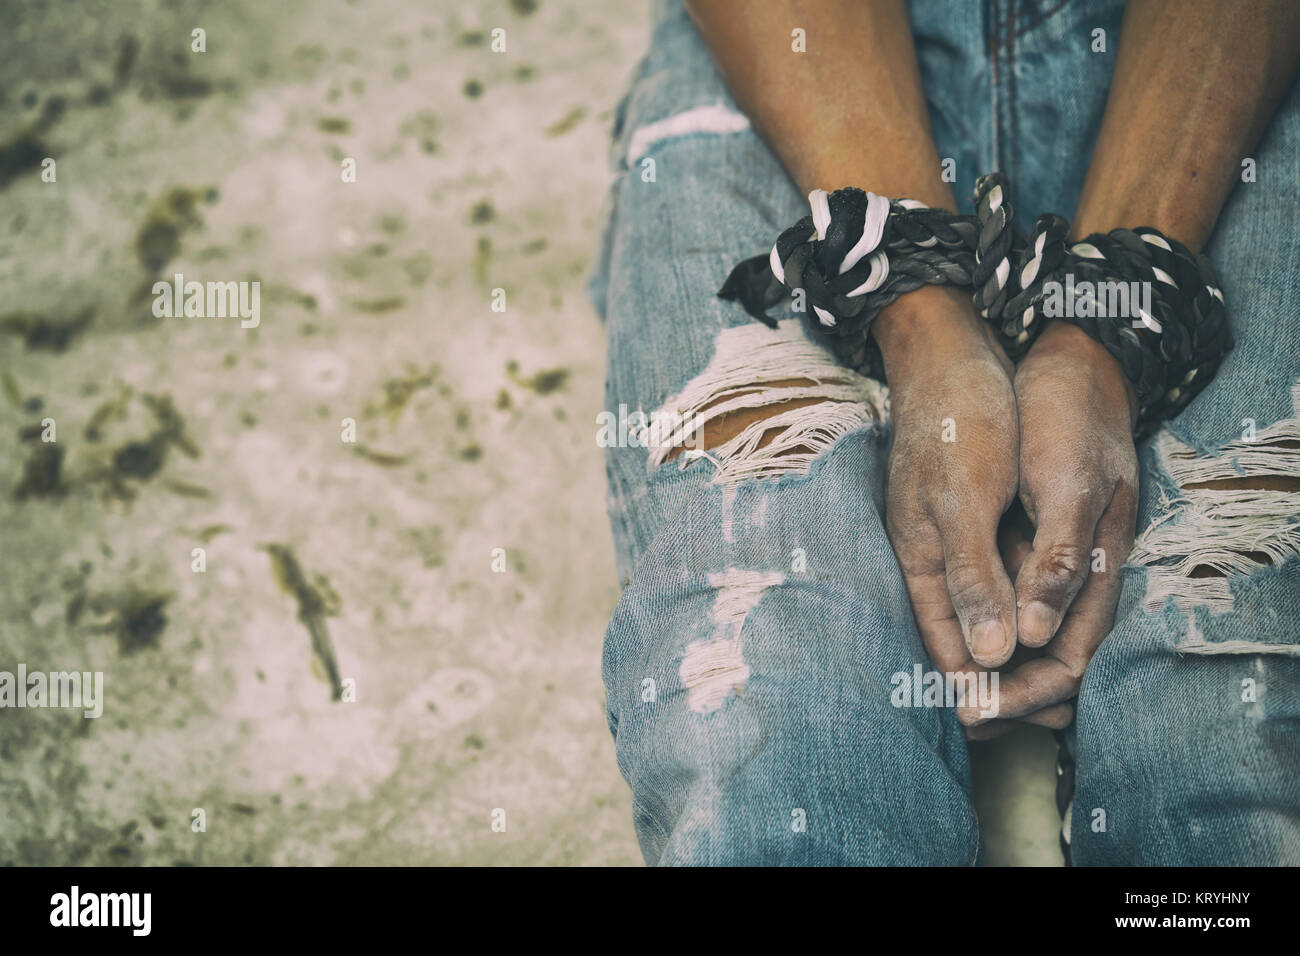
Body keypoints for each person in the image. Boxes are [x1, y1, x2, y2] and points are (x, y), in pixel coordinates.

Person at [589, 0, 1300, 865]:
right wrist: (923, 322)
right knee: (754, 667)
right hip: (797, 52)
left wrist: (1105, 339)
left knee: (1224, 682)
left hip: (1219, 70)